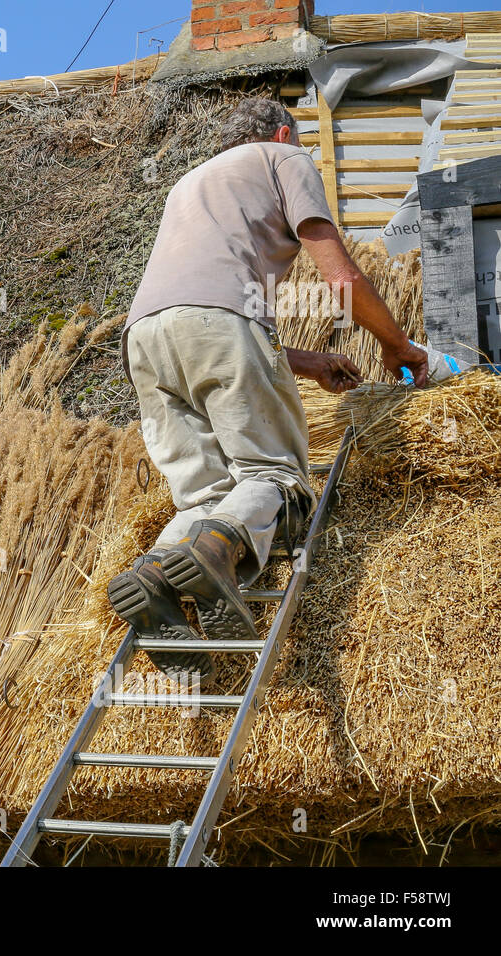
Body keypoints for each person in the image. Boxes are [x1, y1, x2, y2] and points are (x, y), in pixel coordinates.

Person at [110, 97, 429, 682]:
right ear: (284, 132)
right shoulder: (284, 157)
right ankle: (215, 552)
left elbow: (199, 312)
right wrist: (396, 344)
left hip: (145, 340)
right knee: (273, 474)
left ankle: (157, 572)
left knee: (203, 497)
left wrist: (306, 364)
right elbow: (341, 277)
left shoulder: (190, 184)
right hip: (220, 324)